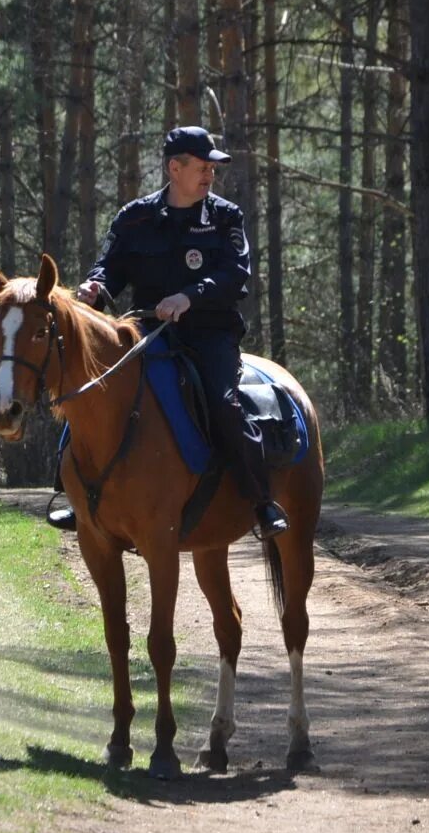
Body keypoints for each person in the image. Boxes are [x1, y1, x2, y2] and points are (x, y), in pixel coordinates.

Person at [45, 126, 289, 540]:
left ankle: (259, 501)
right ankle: (75, 496)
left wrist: (189, 297)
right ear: (174, 168)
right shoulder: (134, 218)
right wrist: (95, 288)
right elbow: (111, 268)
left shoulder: (227, 217)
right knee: (91, 391)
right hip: (145, 333)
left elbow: (235, 274)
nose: (210, 174)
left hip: (209, 334)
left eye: (213, 167)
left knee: (223, 403)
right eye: (202, 166)